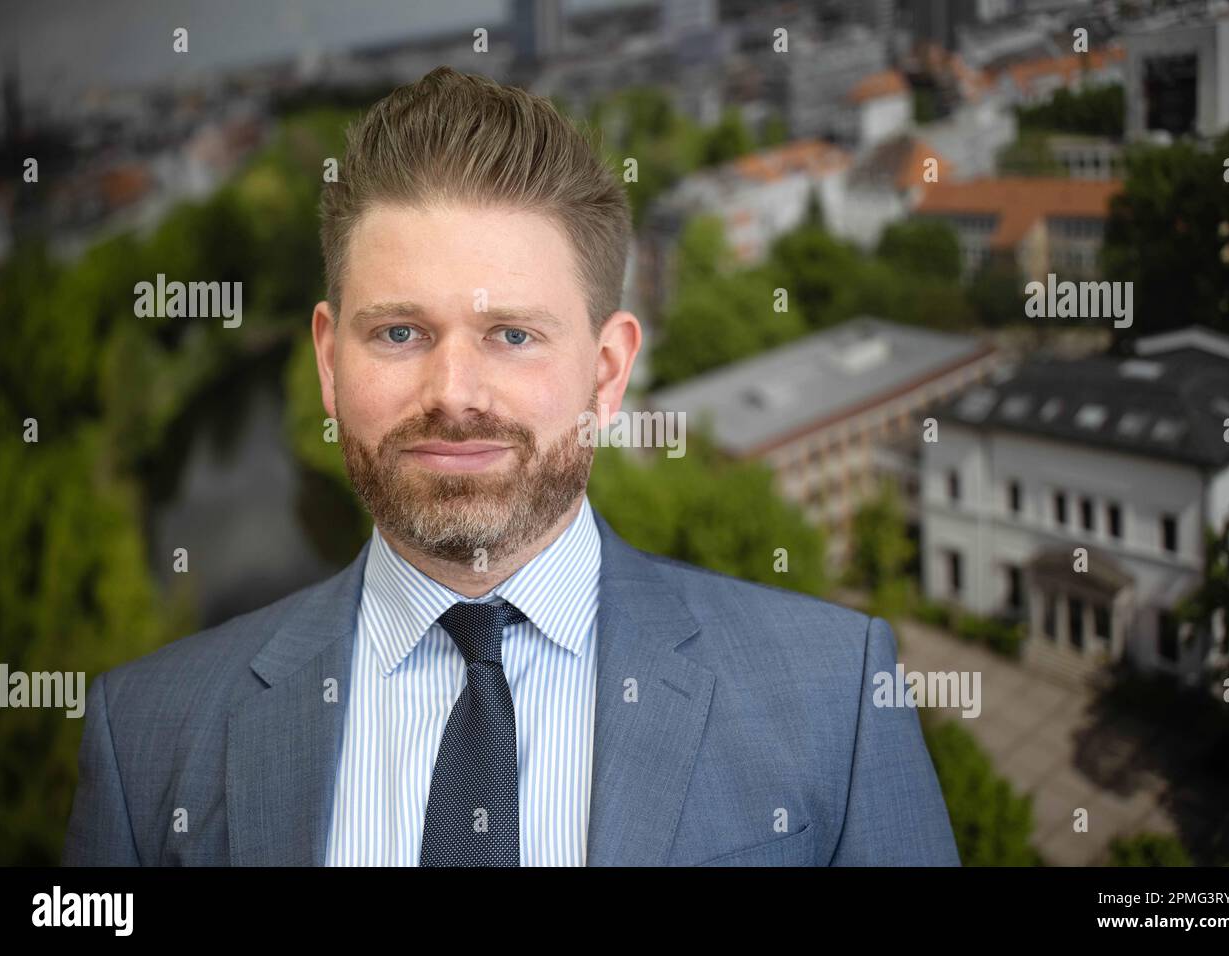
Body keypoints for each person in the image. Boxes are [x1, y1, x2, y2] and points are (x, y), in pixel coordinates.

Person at [62, 66, 960, 867]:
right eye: (401, 332)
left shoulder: (834, 696)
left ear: (607, 375)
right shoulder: (146, 740)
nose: (455, 392)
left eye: (513, 335)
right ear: (331, 365)